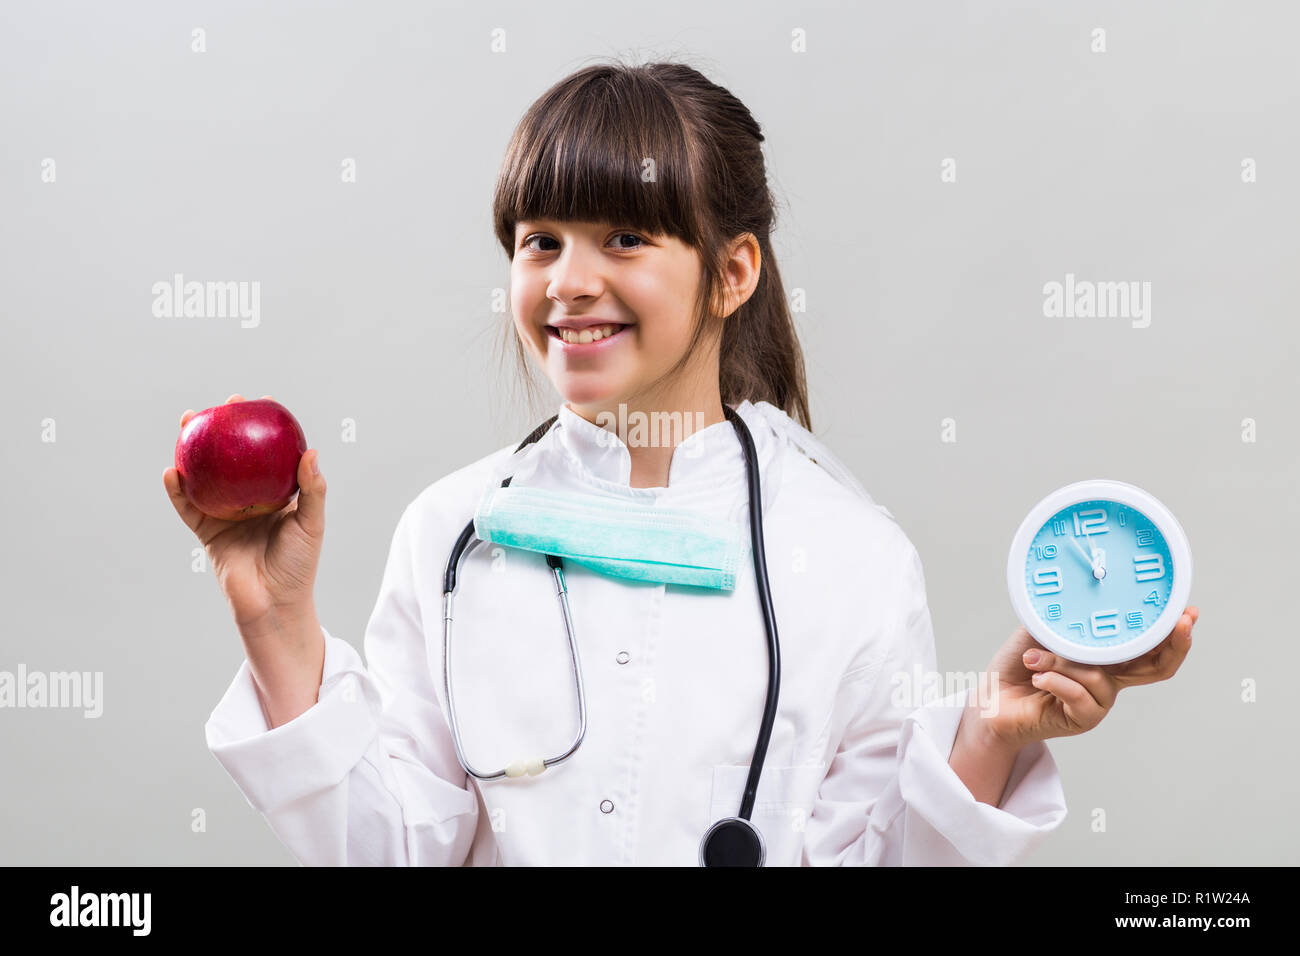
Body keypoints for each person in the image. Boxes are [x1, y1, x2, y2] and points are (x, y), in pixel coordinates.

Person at [163, 60, 1198, 866]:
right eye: (538, 241)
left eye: (622, 238)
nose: (569, 282)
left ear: (731, 271)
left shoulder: (846, 554)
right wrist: (276, 618)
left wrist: (989, 732)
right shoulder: (456, 531)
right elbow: (386, 850)